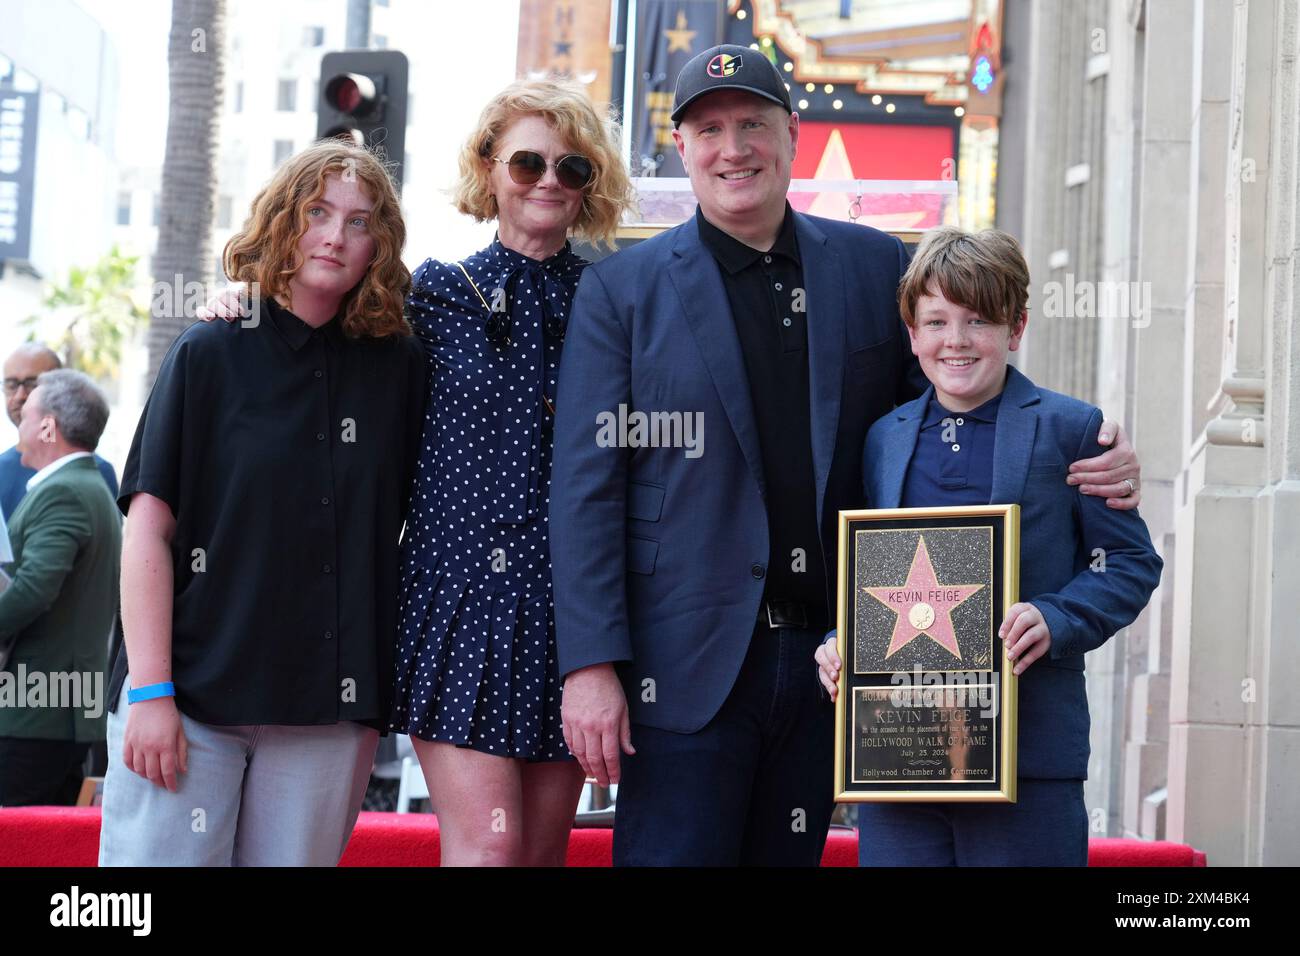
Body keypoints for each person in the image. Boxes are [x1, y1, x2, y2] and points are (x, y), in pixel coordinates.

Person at [550, 44, 1145, 866]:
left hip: (845, 666)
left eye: (753, 124)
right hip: (681, 669)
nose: (734, 148)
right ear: (681, 149)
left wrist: (1085, 443)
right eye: (711, 129)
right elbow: (584, 490)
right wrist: (589, 664)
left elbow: (961, 382)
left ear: (792, 135)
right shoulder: (621, 289)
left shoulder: (874, 265)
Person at [98, 140, 425, 866]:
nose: (336, 236)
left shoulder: (401, 365)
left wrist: (368, 706)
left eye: (360, 221)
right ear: (284, 218)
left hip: (327, 711)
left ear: (381, 243)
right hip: (189, 699)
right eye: (318, 212)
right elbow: (147, 532)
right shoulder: (210, 350)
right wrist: (150, 693)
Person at [815, 227, 1163, 865]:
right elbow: (870, 573)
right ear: (912, 333)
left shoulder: (1074, 429)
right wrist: (844, 642)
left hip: (1029, 755)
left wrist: (1056, 617)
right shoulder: (883, 439)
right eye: (937, 321)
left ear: (1016, 326)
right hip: (899, 757)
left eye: (979, 320)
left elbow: (1131, 563)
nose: (956, 340)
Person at [388, 79, 634, 866]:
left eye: (573, 169)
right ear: (489, 168)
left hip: (572, 615)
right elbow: (317, 345)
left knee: (536, 856)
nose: (548, 182)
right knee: (487, 853)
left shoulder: (614, 301)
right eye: (528, 163)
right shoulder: (431, 296)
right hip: (455, 599)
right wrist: (238, 298)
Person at [0, 370, 121, 806]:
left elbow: (33, 590)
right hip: (58, 708)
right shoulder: (86, 486)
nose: (20, 424)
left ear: (49, 426)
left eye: (28, 414)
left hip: (38, 710)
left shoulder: (65, 491)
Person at [1, 344, 119, 522]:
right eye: (11, 385)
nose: (20, 395)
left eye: (32, 384)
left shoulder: (96, 470)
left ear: (63, 388)